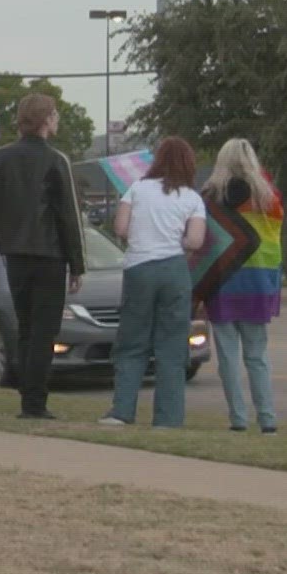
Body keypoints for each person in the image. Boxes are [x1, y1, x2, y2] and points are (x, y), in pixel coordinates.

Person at [0, 93, 87, 420]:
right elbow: (68, 215)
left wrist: (4, 240)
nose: (57, 120)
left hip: (17, 256)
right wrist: (77, 264)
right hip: (50, 255)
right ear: (45, 120)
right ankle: (35, 402)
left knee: (26, 327)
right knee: (44, 330)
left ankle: (28, 396)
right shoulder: (55, 161)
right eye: (54, 115)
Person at [101, 136, 207, 429]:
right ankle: (168, 418)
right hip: (174, 269)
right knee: (172, 345)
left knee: (133, 342)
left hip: (139, 268)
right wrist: (179, 240)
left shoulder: (136, 189)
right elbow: (196, 240)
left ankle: (122, 411)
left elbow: (120, 227)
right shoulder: (192, 198)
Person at [201, 139, 284, 434]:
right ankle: (267, 418)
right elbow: (274, 240)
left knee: (227, 355)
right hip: (258, 281)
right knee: (257, 354)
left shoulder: (211, 196)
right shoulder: (269, 197)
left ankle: (238, 418)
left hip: (222, 280)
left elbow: (204, 241)